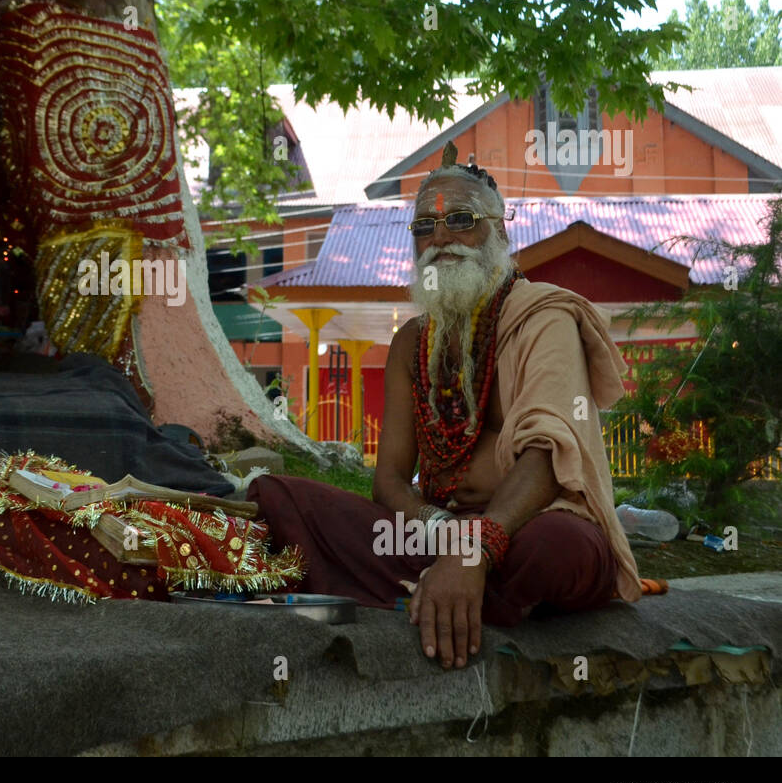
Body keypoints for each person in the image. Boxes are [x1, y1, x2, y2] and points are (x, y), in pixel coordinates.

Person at [249, 153, 640, 670]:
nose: (440, 237)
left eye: (461, 220)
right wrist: (440, 530)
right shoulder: (410, 343)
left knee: (553, 550)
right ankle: (458, 588)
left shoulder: (544, 315)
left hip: (533, 525)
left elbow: (549, 452)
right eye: (425, 226)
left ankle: (440, 589)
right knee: (279, 498)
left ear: (499, 231)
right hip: (437, 531)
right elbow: (389, 482)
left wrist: (477, 547)